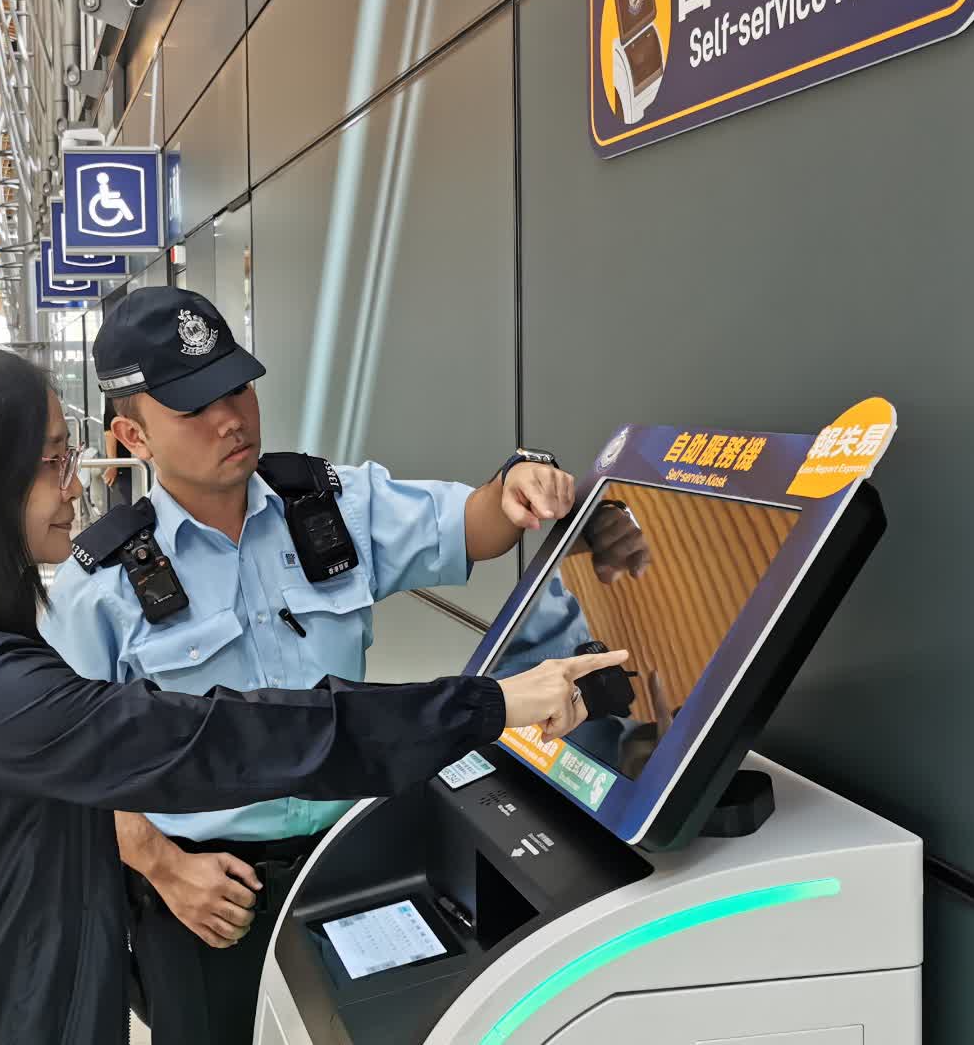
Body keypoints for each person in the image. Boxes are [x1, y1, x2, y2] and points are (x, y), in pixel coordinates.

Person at [0, 345, 627, 1045]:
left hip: (334, 862)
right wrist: (488, 705)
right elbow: (223, 738)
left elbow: (465, 526)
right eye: (54, 460)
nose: (73, 484)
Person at [41, 288, 590, 1045]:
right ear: (133, 434)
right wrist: (163, 867)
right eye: (193, 406)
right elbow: (70, 767)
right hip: (211, 897)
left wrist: (522, 485)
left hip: (360, 859)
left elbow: (473, 523)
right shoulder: (100, 585)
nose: (230, 417)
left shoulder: (331, 506)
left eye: (235, 386)